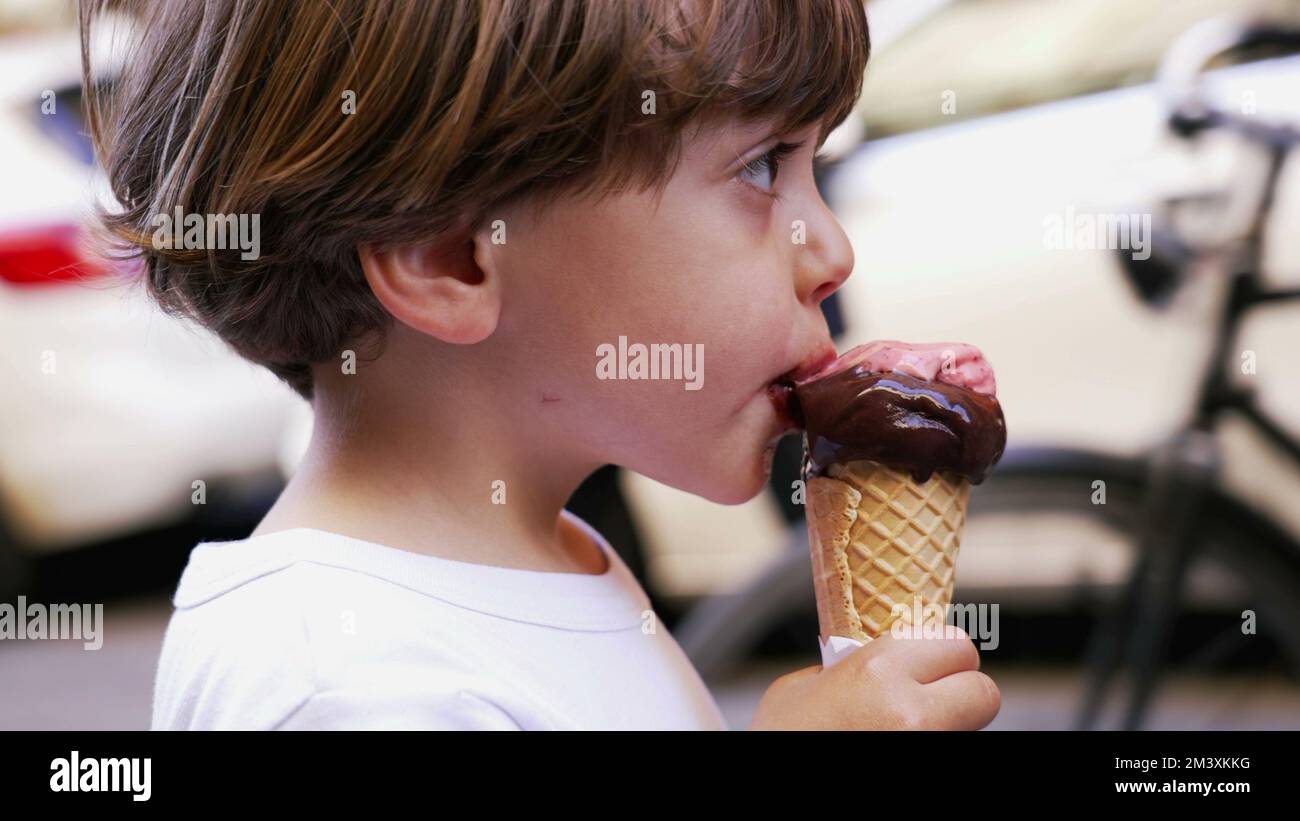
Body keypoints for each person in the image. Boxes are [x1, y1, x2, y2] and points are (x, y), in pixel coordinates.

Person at [81, 0, 999, 730]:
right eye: (763, 169)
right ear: (451, 257)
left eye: (817, 165)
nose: (832, 251)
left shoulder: (555, 556)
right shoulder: (348, 682)